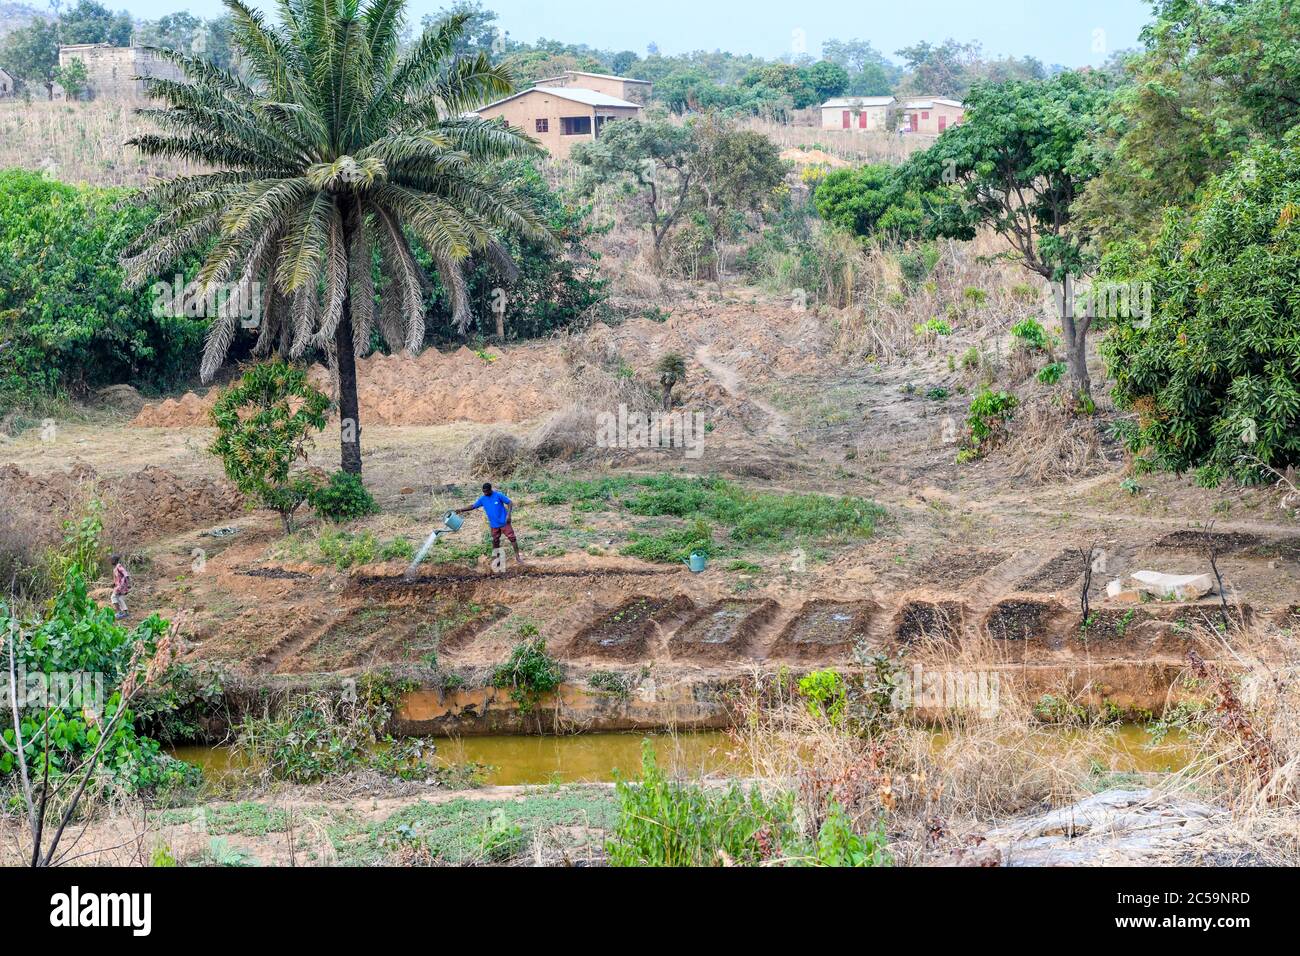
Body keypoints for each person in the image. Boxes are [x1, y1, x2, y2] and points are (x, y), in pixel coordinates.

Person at [456, 483, 524, 565]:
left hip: (504, 522)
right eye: (483, 492)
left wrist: (509, 515)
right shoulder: (483, 499)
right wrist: (460, 510)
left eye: (486, 491)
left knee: (512, 538)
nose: (485, 493)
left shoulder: (498, 495)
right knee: (495, 541)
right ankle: (497, 559)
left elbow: (509, 502)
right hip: (494, 525)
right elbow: (473, 506)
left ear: (490, 489)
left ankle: (517, 557)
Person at [110, 554, 131, 620]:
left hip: (121, 586)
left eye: (112, 560)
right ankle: (125, 613)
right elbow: (117, 578)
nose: (111, 561)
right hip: (119, 586)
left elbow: (126, 575)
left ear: (115, 560)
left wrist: (128, 584)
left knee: (113, 597)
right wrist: (114, 583)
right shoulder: (116, 568)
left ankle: (120, 612)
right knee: (120, 598)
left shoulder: (119, 566)